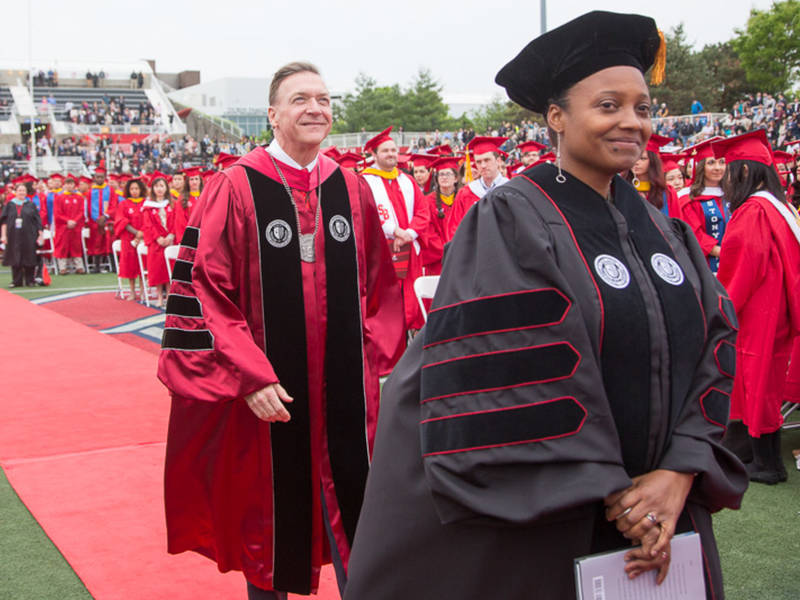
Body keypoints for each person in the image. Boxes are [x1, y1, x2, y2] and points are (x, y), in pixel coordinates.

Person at [344, 12, 748, 600]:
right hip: (566, 521)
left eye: (642, 107)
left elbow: (715, 343)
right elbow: (510, 371)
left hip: (670, 508)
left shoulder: (664, 231)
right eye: (608, 105)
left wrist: (680, 471)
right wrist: (621, 497)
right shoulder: (512, 218)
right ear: (556, 117)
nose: (632, 121)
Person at [157, 61, 404, 600]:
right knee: (269, 520)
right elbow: (203, 287)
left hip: (344, 393)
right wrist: (250, 374)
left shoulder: (350, 187)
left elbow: (379, 285)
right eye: (300, 100)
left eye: (323, 99)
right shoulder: (235, 186)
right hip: (269, 392)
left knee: (359, 515)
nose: (315, 108)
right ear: (272, 114)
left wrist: (377, 364)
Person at [714, 129, 800, 485]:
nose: (726, 181)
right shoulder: (781, 206)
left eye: (729, 172)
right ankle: (752, 453)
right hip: (776, 309)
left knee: (756, 382)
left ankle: (768, 465)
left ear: (745, 172)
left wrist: (720, 304)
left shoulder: (753, 211)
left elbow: (742, 268)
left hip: (758, 312)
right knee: (763, 384)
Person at [361, 126, 430, 333]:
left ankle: (411, 338)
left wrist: (409, 234)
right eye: (385, 150)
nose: (391, 154)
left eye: (393, 150)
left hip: (409, 250)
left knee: (412, 300)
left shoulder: (406, 180)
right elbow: (364, 213)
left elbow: (423, 211)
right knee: (386, 303)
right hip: (382, 252)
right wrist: (393, 230)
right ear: (374, 155)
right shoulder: (365, 181)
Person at [444, 136, 509, 239]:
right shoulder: (466, 193)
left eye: (487, 160)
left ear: (498, 161)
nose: (483, 166)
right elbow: (454, 229)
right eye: (478, 162)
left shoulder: (511, 190)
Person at [679, 140, 728, 274]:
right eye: (711, 163)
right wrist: (723, 253)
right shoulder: (688, 198)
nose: (718, 168)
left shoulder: (733, 194)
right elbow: (695, 235)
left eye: (722, 162)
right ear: (701, 166)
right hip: (705, 266)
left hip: (735, 260)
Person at [142, 172, 181, 308]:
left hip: (170, 241)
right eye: (156, 186)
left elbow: (176, 221)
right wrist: (158, 238)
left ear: (166, 188)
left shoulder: (173, 204)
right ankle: (159, 297)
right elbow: (148, 225)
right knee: (157, 270)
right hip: (156, 243)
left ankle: (170, 295)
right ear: (152, 188)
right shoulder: (148, 206)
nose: (159, 189)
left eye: (162, 186)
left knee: (170, 269)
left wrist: (170, 236)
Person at [421, 156, 460, 274]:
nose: (444, 177)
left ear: (456, 178)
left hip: (462, 256)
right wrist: (446, 249)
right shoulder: (428, 202)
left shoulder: (463, 198)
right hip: (439, 260)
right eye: (441, 174)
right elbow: (427, 231)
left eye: (448, 174)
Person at [626, 134, 682, 217]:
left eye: (642, 158)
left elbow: (676, 221)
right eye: (633, 157)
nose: (636, 162)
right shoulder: (621, 189)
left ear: (653, 162)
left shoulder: (667, 193)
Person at [1, 179, 44, 287]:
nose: (21, 192)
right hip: (13, 235)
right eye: (19, 190)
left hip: (29, 235)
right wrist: (3, 235)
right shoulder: (9, 205)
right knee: (15, 257)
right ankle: (16, 281)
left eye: (23, 190)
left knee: (29, 257)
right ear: (16, 192)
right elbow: (4, 221)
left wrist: (40, 234)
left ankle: (30, 280)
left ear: (26, 192)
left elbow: (37, 220)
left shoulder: (31, 205)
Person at [113, 177, 146, 300]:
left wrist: (142, 233)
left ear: (141, 189)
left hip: (144, 237)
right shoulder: (124, 204)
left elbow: (150, 220)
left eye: (137, 188)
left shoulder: (146, 203)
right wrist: (136, 232)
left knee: (143, 264)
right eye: (132, 189)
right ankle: (132, 291)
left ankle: (142, 291)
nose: (134, 191)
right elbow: (121, 221)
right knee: (130, 265)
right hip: (129, 239)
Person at [53, 174, 85, 274]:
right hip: (63, 226)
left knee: (76, 246)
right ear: (64, 185)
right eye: (67, 184)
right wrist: (67, 221)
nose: (69, 186)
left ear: (74, 185)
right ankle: (62, 267)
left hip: (75, 226)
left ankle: (79, 266)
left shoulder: (79, 198)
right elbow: (57, 213)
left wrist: (75, 220)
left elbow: (81, 211)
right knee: (62, 246)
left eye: (71, 184)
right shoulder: (59, 198)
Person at [86, 167, 115, 272]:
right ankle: (97, 267)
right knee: (96, 243)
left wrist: (106, 216)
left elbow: (113, 205)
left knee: (110, 243)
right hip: (95, 222)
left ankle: (113, 266)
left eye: (101, 177)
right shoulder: (90, 191)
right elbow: (89, 207)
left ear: (105, 177)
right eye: (97, 177)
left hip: (108, 220)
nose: (99, 179)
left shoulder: (110, 190)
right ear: (94, 178)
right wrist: (97, 219)